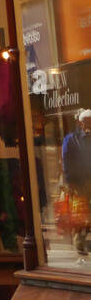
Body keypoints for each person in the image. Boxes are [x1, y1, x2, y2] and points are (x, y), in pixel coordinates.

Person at [62, 109, 91, 256]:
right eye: (87, 122)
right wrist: (70, 181)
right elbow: (66, 160)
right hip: (80, 181)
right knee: (81, 212)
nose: (89, 125)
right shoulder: (71, 139)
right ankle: (79, 240)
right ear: (80, 123)